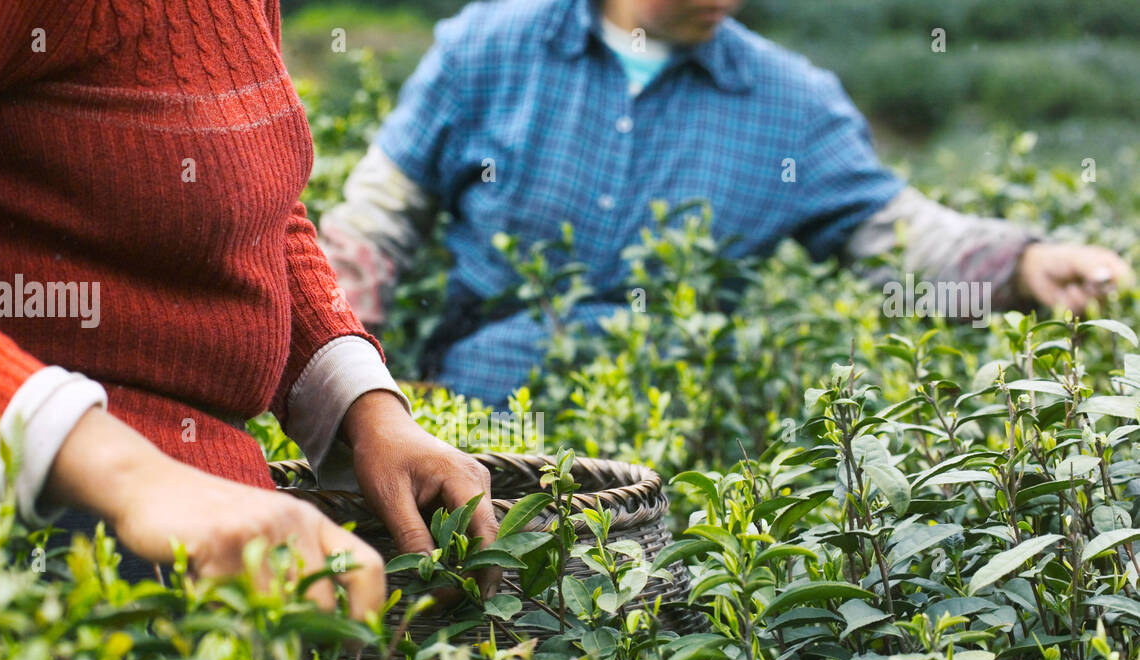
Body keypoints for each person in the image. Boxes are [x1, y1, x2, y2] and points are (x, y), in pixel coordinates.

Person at [0, 0, 498, 619]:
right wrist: (136, 480)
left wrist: (362, 406)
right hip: (13, 552)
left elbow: (246, 208)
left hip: (223, 556)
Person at [319, 0, 1135, 407]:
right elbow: (376, 225)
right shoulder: (488, 47)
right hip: (479, 413)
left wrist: (1026, 266)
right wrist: (345, 385)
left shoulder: (791, 101)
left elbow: (899, 237)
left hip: (679, 437)